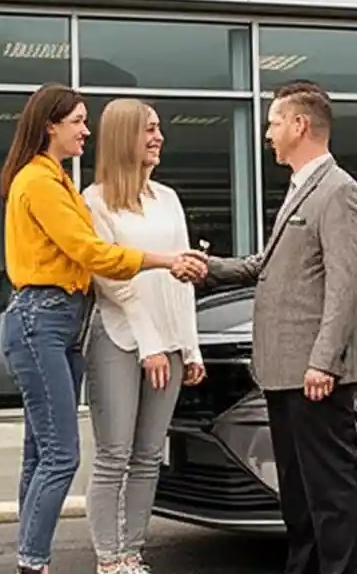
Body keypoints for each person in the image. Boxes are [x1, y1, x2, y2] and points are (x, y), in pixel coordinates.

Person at [0, 84, 207, 574]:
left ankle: (82, 555)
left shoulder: (60, 182)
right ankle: (41, 561)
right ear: (51, 125)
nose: (85, 130)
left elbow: (178, 285)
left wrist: (188, 346)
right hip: (48, 318)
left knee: (44, 452)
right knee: (62, 456)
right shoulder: (47, 184)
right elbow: (95, 258)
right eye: (77, 121)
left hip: (64, 319)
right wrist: (165, 261)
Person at [205, 79, 357, 574]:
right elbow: (269, 265)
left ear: (300, 125)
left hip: (313, 375)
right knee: (298, 497)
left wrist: (324, 361)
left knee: (332, 493)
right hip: (282, 372)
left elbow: (348, 286)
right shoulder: (302, 189)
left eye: (274, 123)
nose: (268, 134)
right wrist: (209, 268)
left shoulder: (339, 192)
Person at [80, 98, 207, 574]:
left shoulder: (168, 198)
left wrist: (188, 346)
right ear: (123, 137)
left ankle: (133, 552)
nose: (158, 138)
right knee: (114, 454)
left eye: (159, 130)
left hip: (170, 344)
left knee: (149, 455)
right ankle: (108, 559)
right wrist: (150, 343)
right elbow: (113, 283)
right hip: (119, 338)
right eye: (149, 130)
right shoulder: (94, 201)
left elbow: (182, 278)